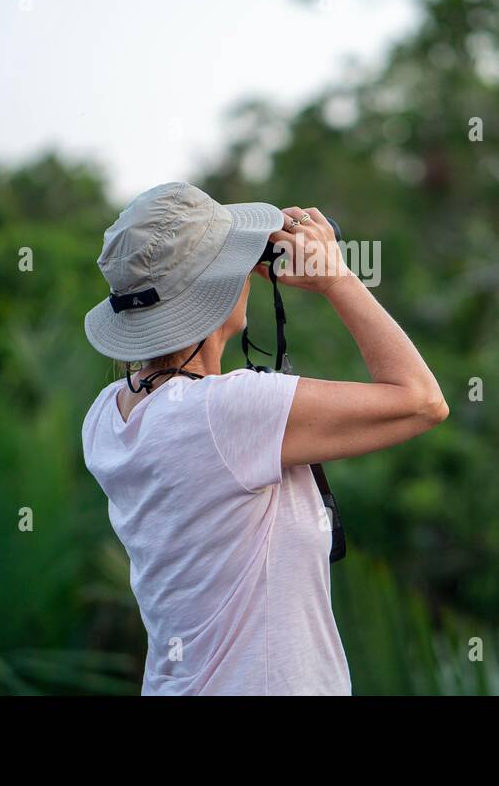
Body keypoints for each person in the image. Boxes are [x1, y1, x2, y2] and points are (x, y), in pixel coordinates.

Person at [81, 181, 448, 695]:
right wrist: (335, 277)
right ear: (212, 292)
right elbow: (423, 399)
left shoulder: (106, 418)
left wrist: (220, 263)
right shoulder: (229, 412)